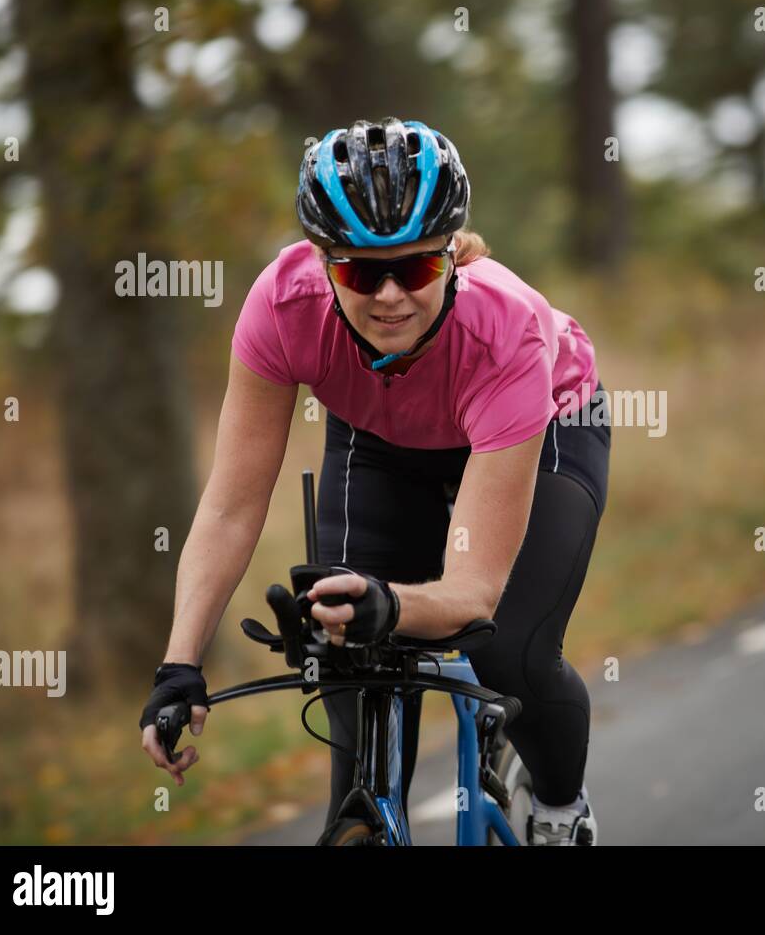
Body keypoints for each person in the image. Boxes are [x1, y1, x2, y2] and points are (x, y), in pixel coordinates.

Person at [139, 117, 610, 845]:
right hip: (383, 436)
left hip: (544, 422)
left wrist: (391, 603)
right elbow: (232, 505)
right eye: (361, 271)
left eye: (416, 268)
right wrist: (178, 664)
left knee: (505, 646)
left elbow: (472, 590)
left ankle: (556, 807)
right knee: (348, 656)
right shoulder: (280, 308)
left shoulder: (506, 331)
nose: (389, 295)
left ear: (451, 256)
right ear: (324, 263)